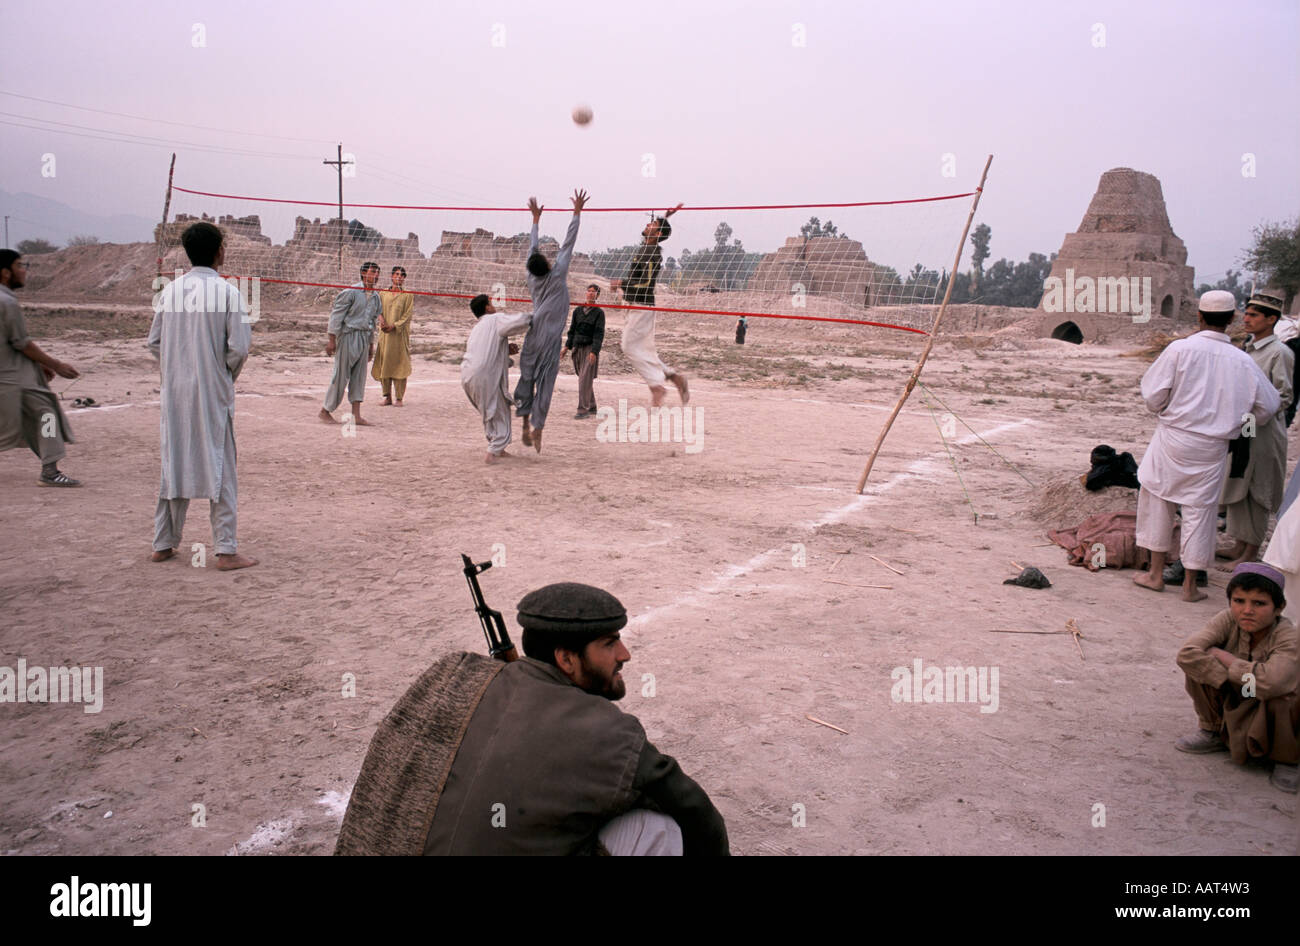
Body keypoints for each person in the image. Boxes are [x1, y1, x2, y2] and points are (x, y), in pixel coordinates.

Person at [424, 582, 730, 854]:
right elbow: (693, 811)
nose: (624, 654)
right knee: (655, 827)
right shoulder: (608, 731)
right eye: (609, 643)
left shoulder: (465, 681)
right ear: (566, 659)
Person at [1132, 290, 1279, 601]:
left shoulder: (1179, 350)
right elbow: (1268, 406)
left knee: (1158, 499)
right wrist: (1240, 425)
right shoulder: (1242, 360)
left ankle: (1155, 574)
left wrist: (1169, 410)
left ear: (1199, 316)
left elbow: (1153, 396)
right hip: (1213, 446)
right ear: (1232, 319)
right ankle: (1190, 586)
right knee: (1201, 510)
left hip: (1173, 438)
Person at [146, 222, 256, 570]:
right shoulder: (228, 293)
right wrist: (221, 374)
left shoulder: (170, 291)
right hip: (211, 393)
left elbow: (154, 342)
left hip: (175, 393)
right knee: (219, 464)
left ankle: (163, 543)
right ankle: (226, 550)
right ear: (219, 251)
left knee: (174, 462)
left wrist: (177, 366)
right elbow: (239, 348)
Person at [1175, 563, 1298, 793]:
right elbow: (1187, 653)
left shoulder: (1287, 636)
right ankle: (1213, 730)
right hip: (1242, 690)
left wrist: (1225, 658)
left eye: (1259, 603)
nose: (1247, 610)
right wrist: (1232, 681)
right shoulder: (1227, 619)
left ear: (1279, 608)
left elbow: (1273, 683)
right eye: (1239, 601)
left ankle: (1287, 759)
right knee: (1199, 667)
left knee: (1288, 695)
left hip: (1267, 701)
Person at [1216, 291, 1294, 571]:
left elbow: (1283, 396)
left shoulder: (1279, 353)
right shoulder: (1248, 348)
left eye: (1253, 315)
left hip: (1264, 431)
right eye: (1246, 314)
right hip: (1246, 427)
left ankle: (1250, 552)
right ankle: (1239, 544)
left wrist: (1252, 413)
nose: (1246, 319)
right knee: (1240, 478)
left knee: (1258, 486)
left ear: (1271, 319)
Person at [514, 189, 587, 453]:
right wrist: (576, 213)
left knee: (527, 378)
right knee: (545, 383)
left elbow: (532, 249)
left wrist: (535, 220)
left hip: (533, 335)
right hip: (551, 340)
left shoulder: (531, 276)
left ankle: (525, 421)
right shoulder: (557, 274)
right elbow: (568, 243)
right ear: (547, 264)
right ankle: (539, 428)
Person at [0, 249, 80, 486]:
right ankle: (50, 471)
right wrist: (55, 364)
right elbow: (21, 343)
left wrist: (37, 364)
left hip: (13, 373)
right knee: (47, 415)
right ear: (5, 273)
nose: (24, 271)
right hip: (13, 378)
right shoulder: (7, 302)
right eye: (19, 265)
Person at [613, 204, 688, 407]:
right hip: (631, 303)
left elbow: (646, 283)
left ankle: (656, 386)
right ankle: (674, 377)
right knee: (641, 349)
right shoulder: (647, 246)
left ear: (658, 233)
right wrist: (665, 217)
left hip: (641, 305)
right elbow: (657, 233)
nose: (648, 224)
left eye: (652, 224)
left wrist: (622, 283)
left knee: (628, 346)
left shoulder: (652, 253)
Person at [462, 293, 532, 464]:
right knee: (500, 409)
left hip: (467, 376)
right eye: (491, 303)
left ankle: (497, 447)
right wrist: (541, 313)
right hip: (484, 376)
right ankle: (493, 451)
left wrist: (505, 350)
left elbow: (485, 352)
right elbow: (521, 321)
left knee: (490, 411)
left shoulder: (478, 328)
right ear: (487, 308)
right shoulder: (495, 319)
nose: (494, 306)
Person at [319, 261, 381, 425]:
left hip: (363, 338)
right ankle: (325, 411)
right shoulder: (351, 292)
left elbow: (372, 322)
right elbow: (336, 316)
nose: (375, 276)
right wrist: (332, 340)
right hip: (348, 336)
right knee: (340, 376)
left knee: (359, 377)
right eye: (372, 272)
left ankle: (356, 415)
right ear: (363, 273)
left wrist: (371, 345)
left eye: (377, 273)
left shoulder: (376, 297)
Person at [373, 265, 414, 406]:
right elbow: (377, 309)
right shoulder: (383, 293)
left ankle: (399, 398)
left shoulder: (408, 295)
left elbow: (407, 315)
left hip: (399, 336)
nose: (399, 277)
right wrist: (382, 321)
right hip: (385, 335)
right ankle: (387, 396)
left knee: (400, 365)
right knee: (385, 364)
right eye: (396, 274)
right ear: (391, 276)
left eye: (402, 275)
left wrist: (394, 326)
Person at [562, 283, 604, 418]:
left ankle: (583, 410)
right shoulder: (578, 311)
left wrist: (594, 351)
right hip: (577, 347)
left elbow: (599, 334)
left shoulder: (599, 313)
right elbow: (572, 330)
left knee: (584, 380)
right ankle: (592, 406)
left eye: (593, 292)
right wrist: (566, 347)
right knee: (583, 378)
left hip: (589, 348)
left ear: (597, 295)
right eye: (589, 291)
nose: (590, 293)